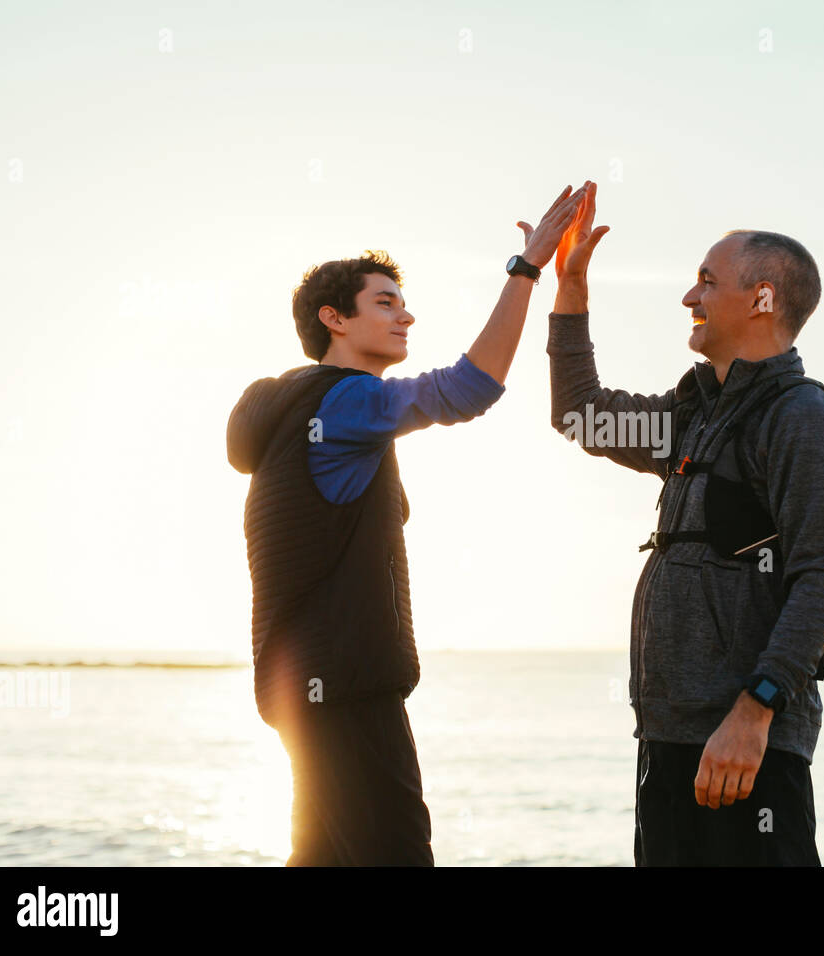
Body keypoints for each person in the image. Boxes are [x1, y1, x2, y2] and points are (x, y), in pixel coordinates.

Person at [225, 184, 586, 865]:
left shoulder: (296, 417)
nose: (406, 316)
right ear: (333, 319)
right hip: (349, 692)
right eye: (384, 303)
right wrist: (528, 268)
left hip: (306, 693)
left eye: (403, 302)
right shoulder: (346, 401)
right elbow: (468, 387)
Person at [544, 183, 824, 866]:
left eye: (705, 282)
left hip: (746, 748)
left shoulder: (803, 419)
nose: (689, 298)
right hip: (668, 739)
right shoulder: (694, 414)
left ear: (762, 299)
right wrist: (572, 288)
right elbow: (580, 414)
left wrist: (754, 713)